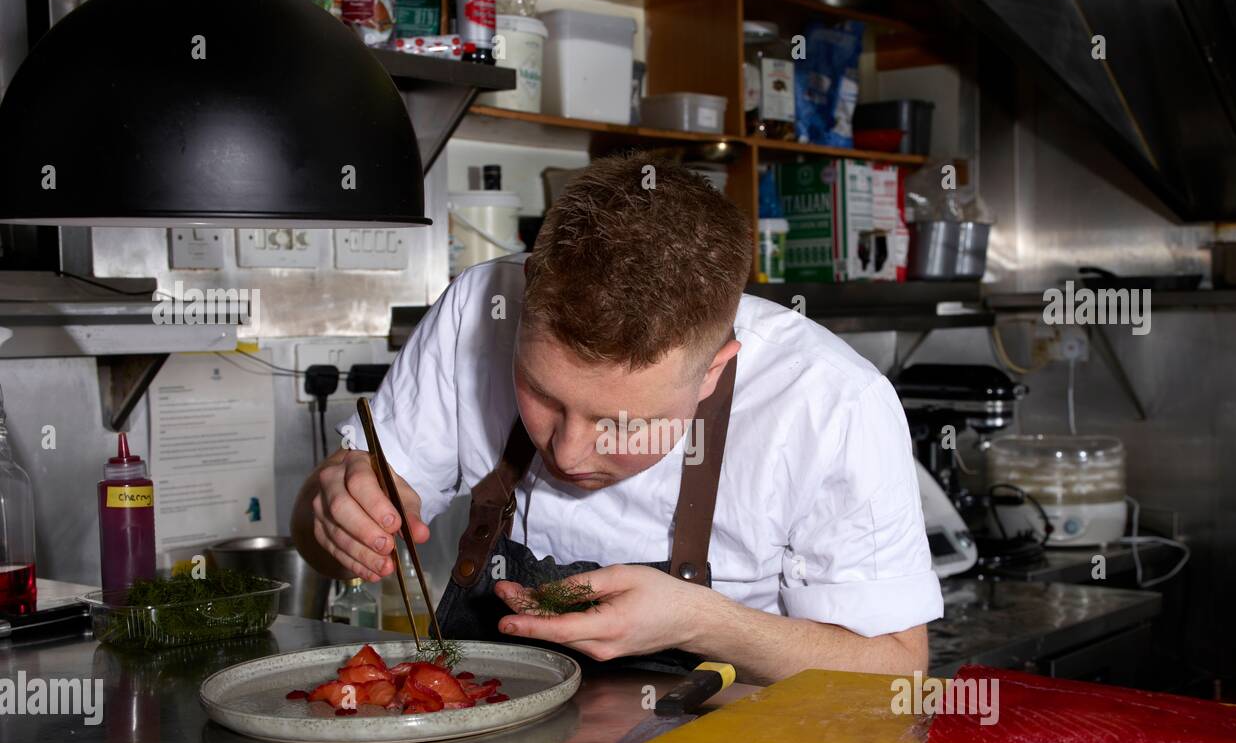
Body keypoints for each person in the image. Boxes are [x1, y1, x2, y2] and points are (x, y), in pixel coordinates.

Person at [291, 153, 940, 683]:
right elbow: (322, 543)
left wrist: (700, 621)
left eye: (622, 423)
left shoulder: (831, 404)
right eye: (541, 393)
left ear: (715, 369)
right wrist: (335, 516)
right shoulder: (478, 310)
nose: (569, 453)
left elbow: (896, 671)